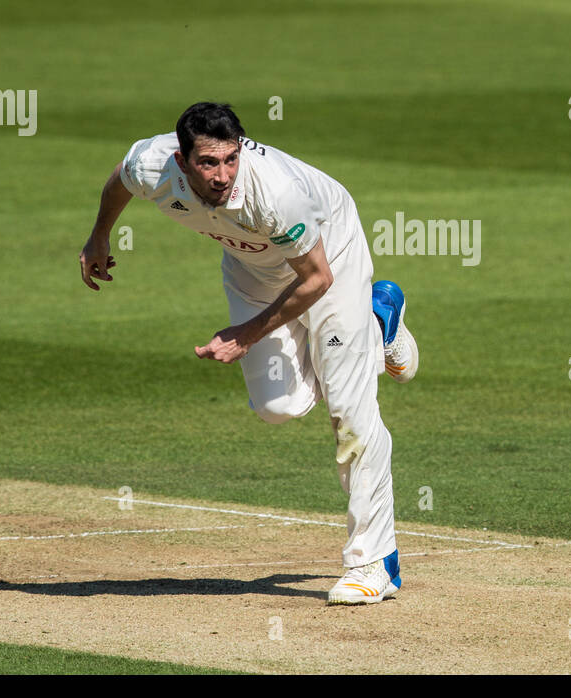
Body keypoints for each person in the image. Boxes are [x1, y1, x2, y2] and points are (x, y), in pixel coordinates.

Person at [79, 102, 419, 605]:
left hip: (331, 258)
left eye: (231, 159)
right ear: (181, 159)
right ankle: (379, 319)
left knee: (349, 411)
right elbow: (119, 180)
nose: (222, 175)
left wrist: (247, 334)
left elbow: (317, 279)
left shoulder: (276, 192)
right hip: (253, 270)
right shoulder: (152, 162)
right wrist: (99, 234)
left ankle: (373, 564)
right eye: (209, 163)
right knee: (277, 408)